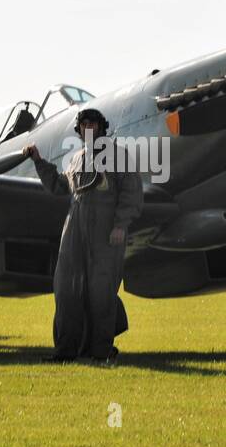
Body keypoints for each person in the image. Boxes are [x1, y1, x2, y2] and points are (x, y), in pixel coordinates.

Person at [23, 108, 143, 364]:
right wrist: (38, 161)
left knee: (101, 292)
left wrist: (121, 225)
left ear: (102, 127)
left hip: (105, 232)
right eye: (84, 124)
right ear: (79, 130)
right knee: (66, 289)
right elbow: (58, 185)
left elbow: (131, 193)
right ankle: (65, 350)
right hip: (74, 229)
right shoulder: (76, 159)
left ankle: (100, 352)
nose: (88, 128)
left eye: (93, 124)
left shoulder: (117, 156)